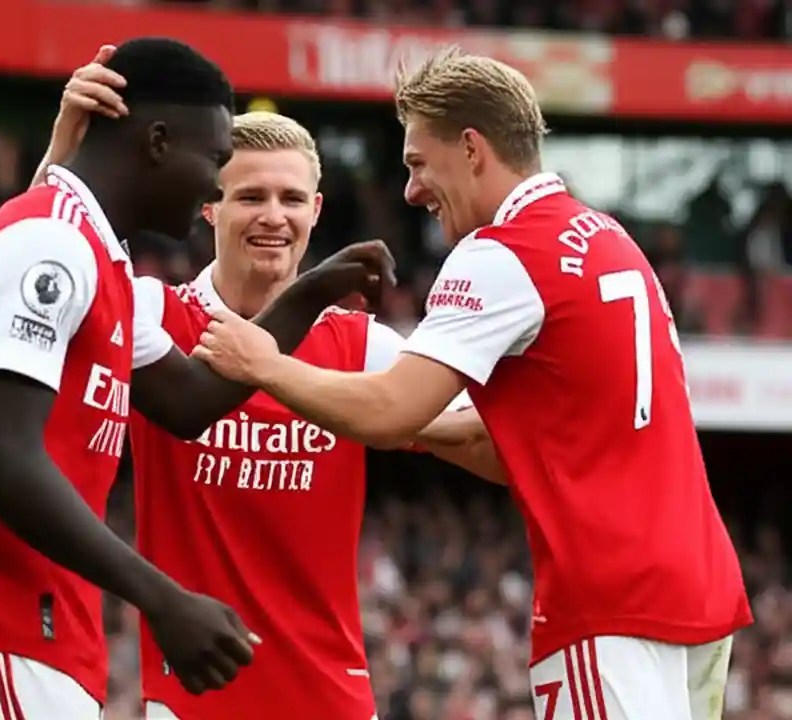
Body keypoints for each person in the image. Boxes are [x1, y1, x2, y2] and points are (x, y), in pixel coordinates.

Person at [193, 47, 752, 720]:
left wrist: (262, 364)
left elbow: (390, 411)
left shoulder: (501, 253)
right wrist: (381, 414)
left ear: (471, 148)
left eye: (417, 164)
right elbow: (507, 444)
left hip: (609, 600)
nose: (411, 191)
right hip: (698, 590)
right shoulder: (607, 237)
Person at [0, 38, 391, 720]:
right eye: (215, 161)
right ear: (156, 141)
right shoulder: (52, 242)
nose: (215, 185)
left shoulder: (102, 262)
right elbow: (3, 461)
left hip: (44, 626)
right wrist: (162, 598)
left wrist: (310, 291)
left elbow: (190, 401)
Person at [32, 53, 499, 720]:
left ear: (316, 210)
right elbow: (39, 269)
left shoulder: (360, 344)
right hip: (191, 692)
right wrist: (63, 149)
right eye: (250, 196)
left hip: (327, 694)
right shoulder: (151, 316)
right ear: (208, 207)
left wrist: (401, 417)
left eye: (288, 199)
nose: (271, 217)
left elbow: (489, 446)